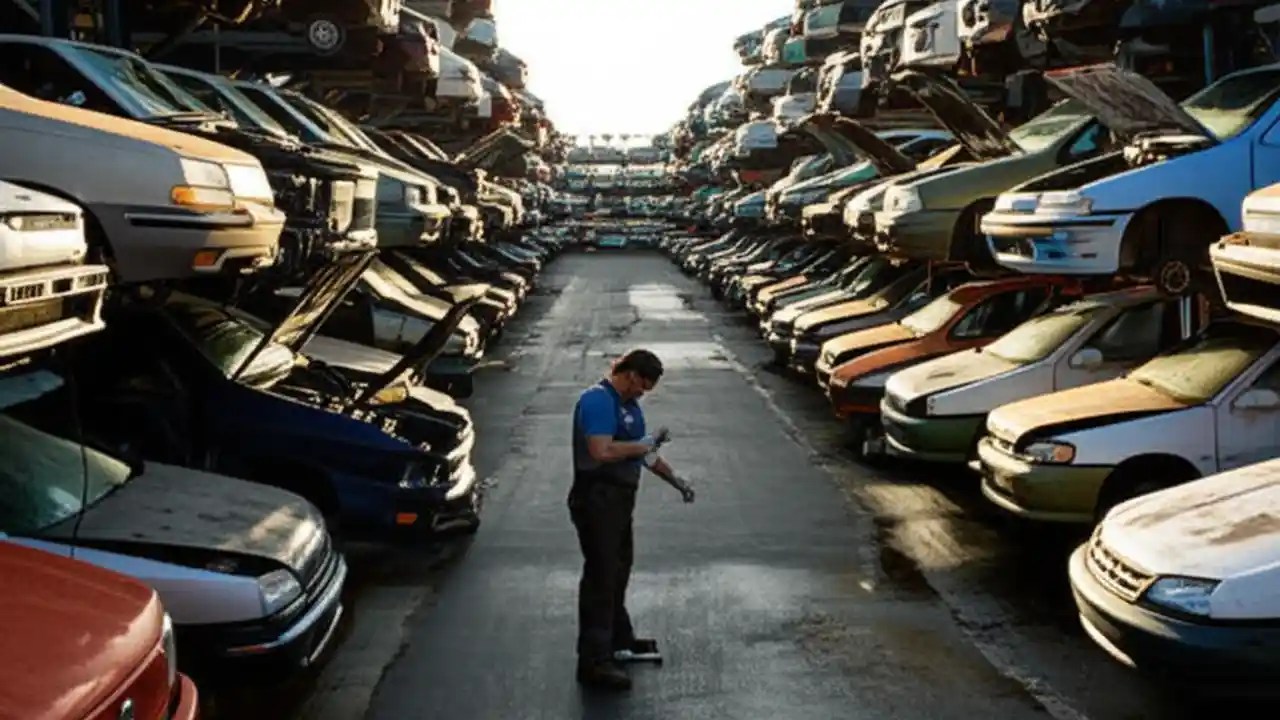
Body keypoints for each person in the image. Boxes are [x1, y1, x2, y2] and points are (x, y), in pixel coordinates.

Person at [569, 348, 696, 691]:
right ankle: (594, 661)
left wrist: (677, 481)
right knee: (601, 576)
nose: (643, 393)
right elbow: (602, 450)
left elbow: (645, 453)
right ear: (629, 375)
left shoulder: (629, 407)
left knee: (619, 569)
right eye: (643, 386)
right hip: (597, 497)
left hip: (620, 500)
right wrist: (643, 445)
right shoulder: (597, 401)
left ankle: (618, 637)